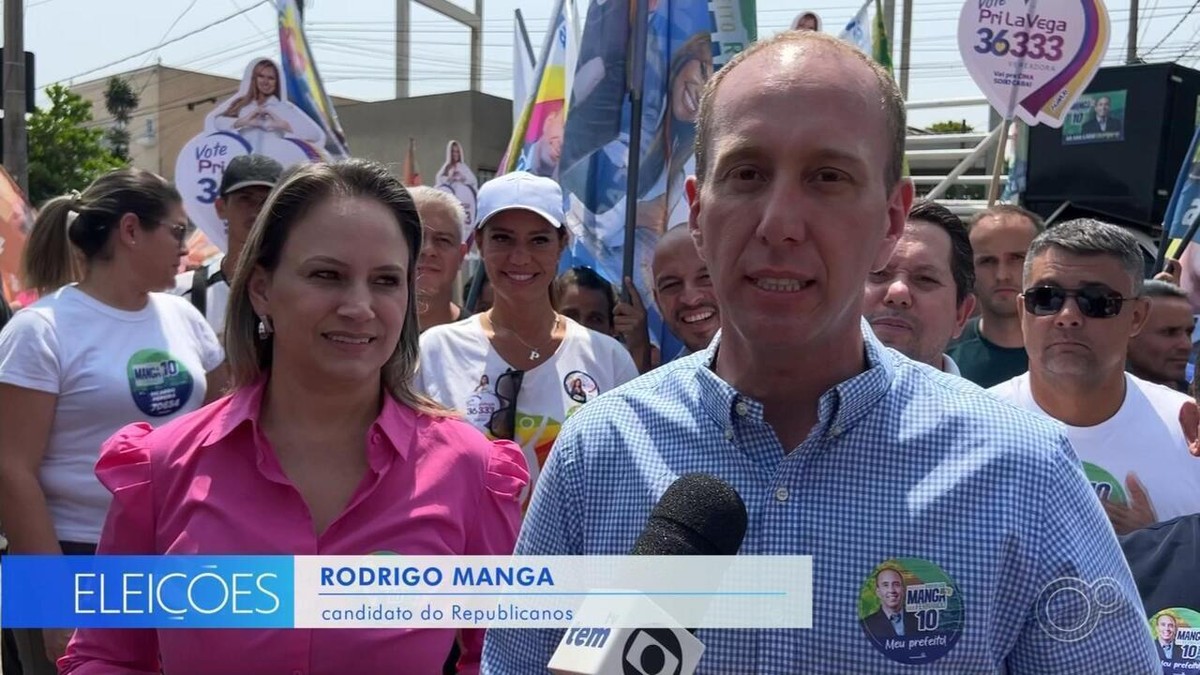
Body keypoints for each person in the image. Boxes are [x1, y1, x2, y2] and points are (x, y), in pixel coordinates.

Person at [482, 31, 1158, 672]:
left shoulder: (1022, 473)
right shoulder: (596, 455)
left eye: (828, 177)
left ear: (893, 216)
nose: (779, 223)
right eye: (746, 173)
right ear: (696, 207)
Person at [59, 159, 528, 674]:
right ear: (262, 288)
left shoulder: (470, 470)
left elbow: (505, 655)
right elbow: (107, 655)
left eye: (386, 280)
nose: (358, 306)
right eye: (326, 275)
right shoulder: (163, 466)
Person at [0, 169, 226, 675]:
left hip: (175, 555)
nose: (184, 246)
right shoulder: (39, 330)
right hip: (74, 554)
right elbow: (10, 471)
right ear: (129, 230)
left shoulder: (183, 316)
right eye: (174, 230)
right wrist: (52, 602)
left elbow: (224, 421)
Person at [417, 171, 639, 506]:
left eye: (538, 240)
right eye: (503, 239)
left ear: (562, 243)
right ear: (479, 241)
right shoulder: (435, 351)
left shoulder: (607, 358)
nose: (520, 258)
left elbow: (627, 482)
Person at [990, 220, 1200, 535]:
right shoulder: (968, 426)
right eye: (1046, 298)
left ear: (1137, 317)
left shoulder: (1190, 431)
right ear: (1023, 312)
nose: (1068, 317)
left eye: (1098, 302)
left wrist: (1163, 545)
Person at [174, 154, 283, 334]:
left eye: (267, 200)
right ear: (221, 207)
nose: (256, 209)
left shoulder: (304, 293)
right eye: (245, 198)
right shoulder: (182, 295)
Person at [864, 200, 975, 373]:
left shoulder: (985, 401)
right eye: (878, 273)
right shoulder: (805, 398)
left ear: (961, 314)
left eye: (925, 278)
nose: (898, 292)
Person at [947, 204, 1043, 387]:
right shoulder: (941, 354)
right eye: (987, 261)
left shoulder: (1069, 350)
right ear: (968, 268)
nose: (1002, 275)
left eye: (1016, 258)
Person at [554, 266, 652, 373]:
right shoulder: (536, 364)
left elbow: (638, 388)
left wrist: (640, 348)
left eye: (595, 319)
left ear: (612, 328)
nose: (582, 327)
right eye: (570, 316)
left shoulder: (617, 371)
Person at [213, 58, 324, 147]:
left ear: (278, 82)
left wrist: (284, 126)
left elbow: (313, 135)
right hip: (242, 161)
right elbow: (217, 123)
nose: (265, 82)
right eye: (261, 76)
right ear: (254, 79)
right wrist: (244, 122)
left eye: (271, 78)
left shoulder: (284, 108)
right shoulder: (242, 104)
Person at [651, 225, 719, 358]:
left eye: (706, 277)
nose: (691, 299)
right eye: (671, 285)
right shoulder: (667, 379)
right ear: (658, 302)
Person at [410, 186, 469, 332]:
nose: (428, 250)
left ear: (461, 256)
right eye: (416, 237)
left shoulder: (481, 345)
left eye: (443, 240)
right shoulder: (360, 336)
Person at [1127, 280, 1194, 391]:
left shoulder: (1191, 403)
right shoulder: (1094, 402)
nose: (1186, 346)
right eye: (1169, 332)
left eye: (1189, 332)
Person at [860, 568, 917, 639]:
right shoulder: (866, 625)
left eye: (896, 584)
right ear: (878, 592)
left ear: (903, 589)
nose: (891, 590)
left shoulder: (920, 619)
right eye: (885, 585)